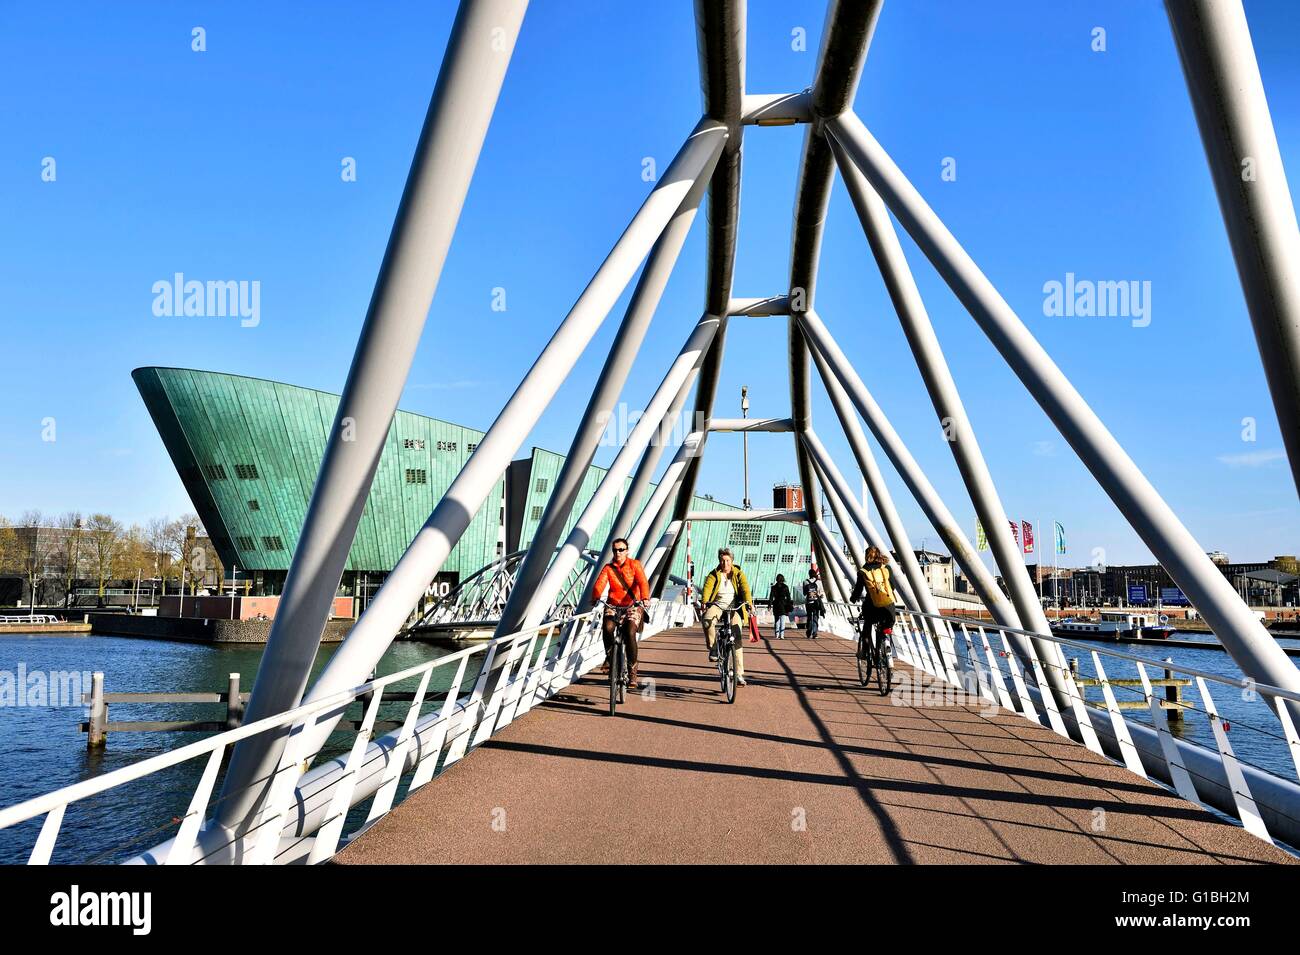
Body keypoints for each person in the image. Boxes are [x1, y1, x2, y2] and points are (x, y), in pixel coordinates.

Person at [590, 537, 650, 687]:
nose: (618, 553)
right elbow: (600, 584)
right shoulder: (609, 568)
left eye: (621, 550)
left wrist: (645, 598)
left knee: (630, 632)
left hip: (632, 604)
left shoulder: (635, 565)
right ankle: (610, 659)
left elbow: (643, 582)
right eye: (615, 550)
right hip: (613, 605)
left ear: (627, 551)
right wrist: (595, 596)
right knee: (607, 628)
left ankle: (632, 672)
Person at [701, 548, 753, 686]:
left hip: (733, 607)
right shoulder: (714, 574)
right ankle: (713, 648)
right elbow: (707, 588)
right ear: (720, 561)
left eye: (728, 560)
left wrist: (749, 603)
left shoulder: (739, 574)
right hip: (717, 605)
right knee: (707, 619)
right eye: (723, 561)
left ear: (732, 561)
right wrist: (704, 602)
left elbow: (745, 589)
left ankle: (739, 674)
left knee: (737, 639)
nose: (725, 563)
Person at [851, 546, 896, 658]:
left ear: (866, 556)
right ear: (879, 554)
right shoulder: (886, 568)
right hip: (888, 605)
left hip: (871, 605)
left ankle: (865, 653)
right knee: (884, 626)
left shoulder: (863, 571)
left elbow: (858, 590)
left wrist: (853, 598)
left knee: (867, 626)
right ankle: (883, 646)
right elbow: (892, 586)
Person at [802, 566, 825, 639]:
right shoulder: (819, 582)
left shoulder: (805, 581)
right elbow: (821, 594)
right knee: (815, 617)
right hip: (816, 602)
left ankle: (809, 631)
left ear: (809, 574)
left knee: (809, 617)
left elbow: (804, 593)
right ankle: (815, 633)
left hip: (808, 602)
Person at [768, 573, 793, 640]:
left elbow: (771, 597)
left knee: (776, 620)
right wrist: (790, 605)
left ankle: (776, 634)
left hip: (776, 604)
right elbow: (788, 597)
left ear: (776, 579)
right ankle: (782, 635)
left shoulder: (773, 587)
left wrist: (769, 605)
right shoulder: (785, 587)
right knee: (783, 620)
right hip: (783, 605)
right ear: (783, 579)